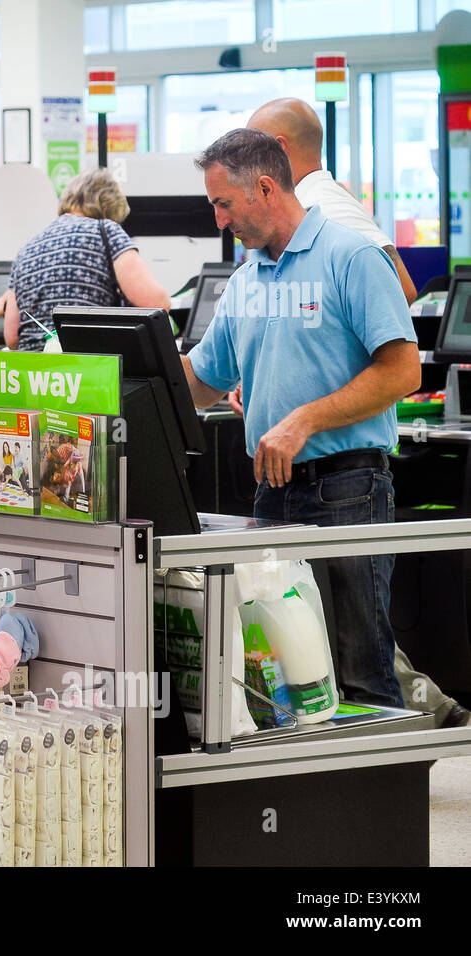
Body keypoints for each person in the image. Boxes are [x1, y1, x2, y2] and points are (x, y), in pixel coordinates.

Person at [247, 98, 467, 727]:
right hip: (290, 470)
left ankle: (396, 770)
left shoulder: (324, 204)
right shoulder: (289, 222)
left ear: (282, 154)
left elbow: (393, 286)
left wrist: (327, 381)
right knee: (317, 646)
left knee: (357, 649)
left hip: (342, 463)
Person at [184, 128, 420, 709]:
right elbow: (202, 381)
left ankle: (376, 795)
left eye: (224, 204)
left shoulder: (352, 256)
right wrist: (121, 385)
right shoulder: (245, 280)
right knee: (286, 672)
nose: (219, 221)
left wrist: (305, 419)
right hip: (271, 494)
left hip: (348, 489)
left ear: (264, 187)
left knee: (359, 662)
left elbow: (402, 372)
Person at [248, 98, 418, 305]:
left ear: (279, 149)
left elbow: (401, 289)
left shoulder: (327, 204)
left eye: (251, 153)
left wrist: (332, 330)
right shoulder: (306, 201)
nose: (246, 165)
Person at [5, 168, 170, 351]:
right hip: (84, 371)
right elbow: (157, 304)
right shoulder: (105, 231)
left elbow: (11, 337)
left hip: (32, 374)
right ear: (110, 206)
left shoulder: (26, 248)